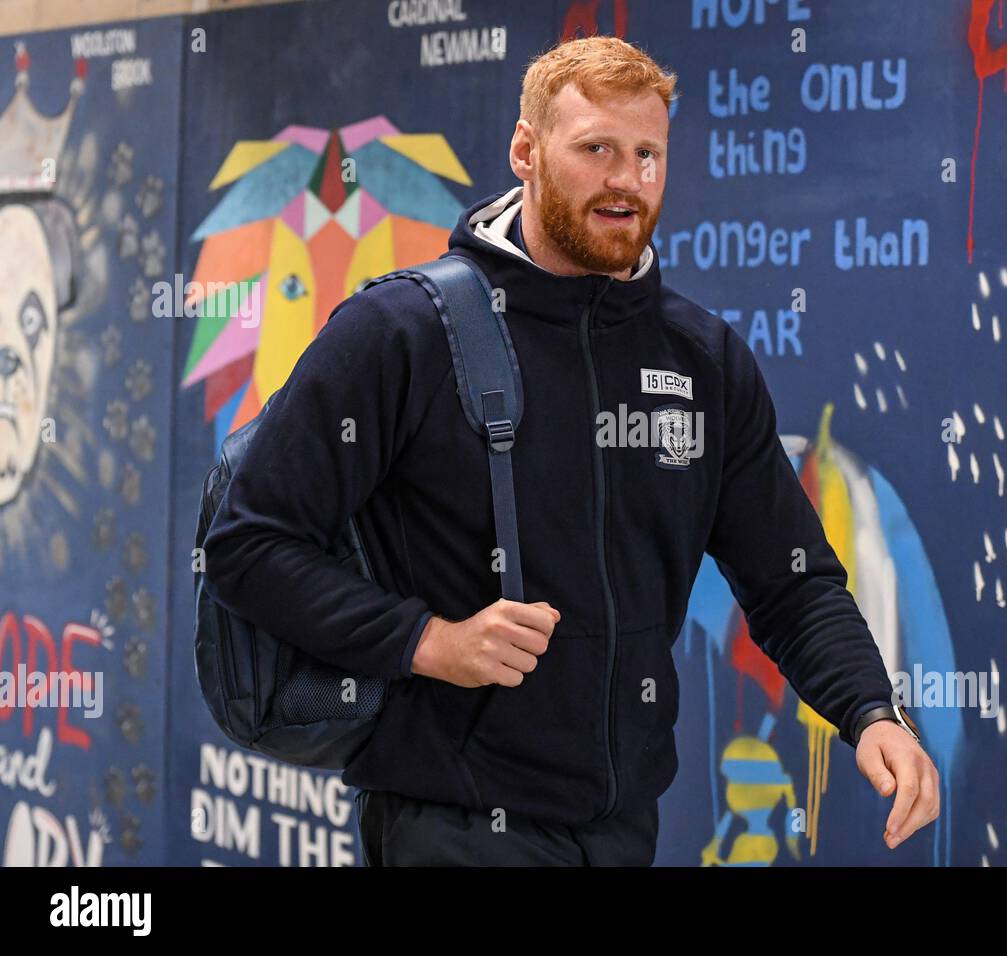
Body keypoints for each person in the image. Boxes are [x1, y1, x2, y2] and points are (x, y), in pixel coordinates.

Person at [201, 35, 940, 867]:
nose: (626, 179)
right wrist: (427, 640)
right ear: (526, 151)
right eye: (596, 149)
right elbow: (246, 545)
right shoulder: (400, 334)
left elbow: (791, 584)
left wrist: (872, 711)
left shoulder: (702, 359)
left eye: (647, 154)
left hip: (624, 832)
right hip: (452, 826)